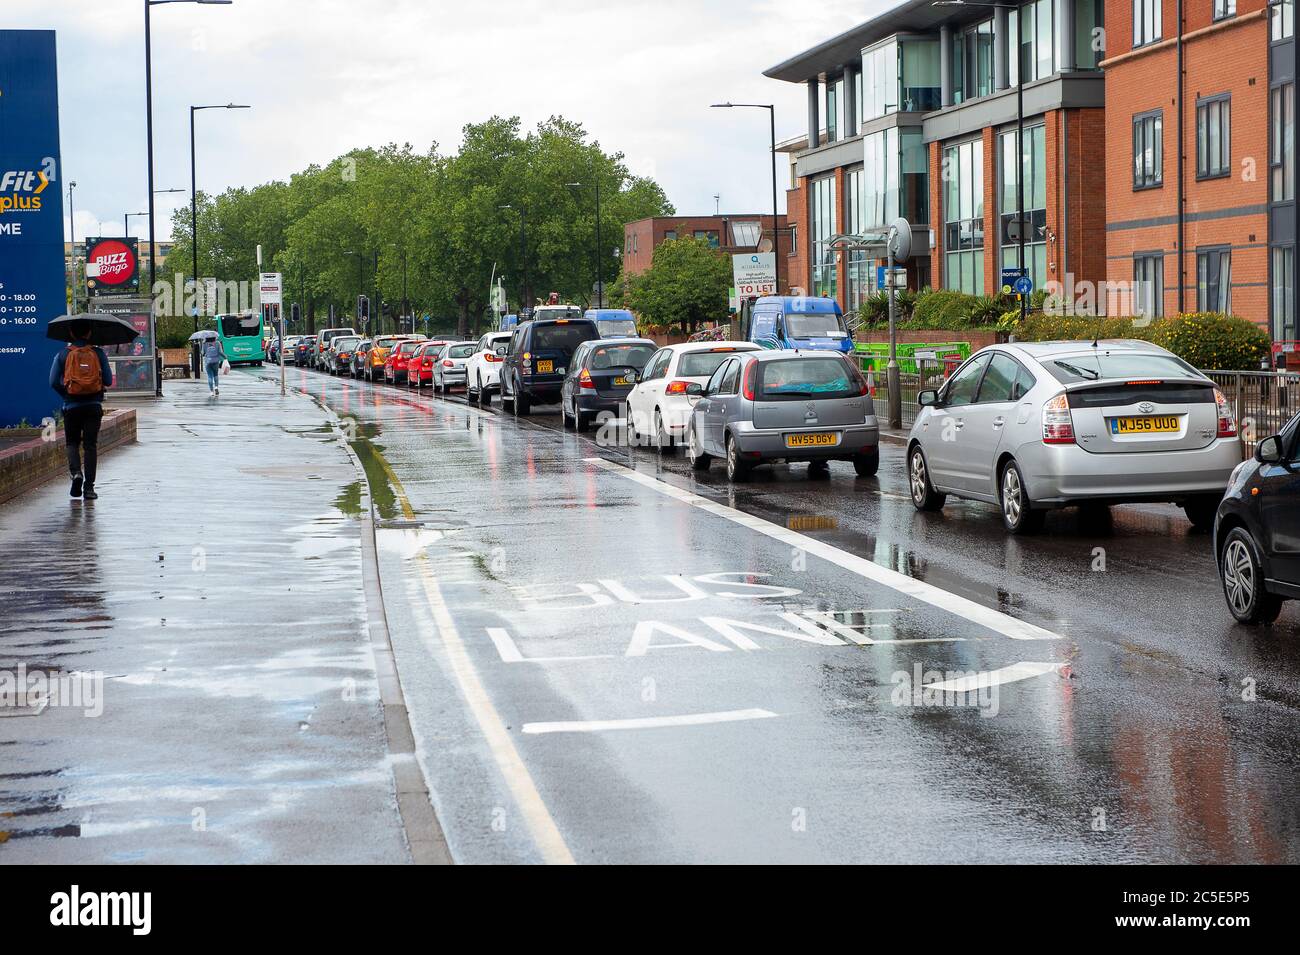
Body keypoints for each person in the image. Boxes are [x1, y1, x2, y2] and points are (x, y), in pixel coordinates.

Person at [49, 322, 113, 501]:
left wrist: (68, 394)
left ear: (70, 332)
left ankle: (76, 473)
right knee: (90, 446)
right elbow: (107, 380)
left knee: (72, 443)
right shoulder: (98, 353)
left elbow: (53, 381)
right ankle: (89, 489)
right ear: (89, 332)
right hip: (93, 406)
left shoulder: (63, 354)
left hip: (72, 407)